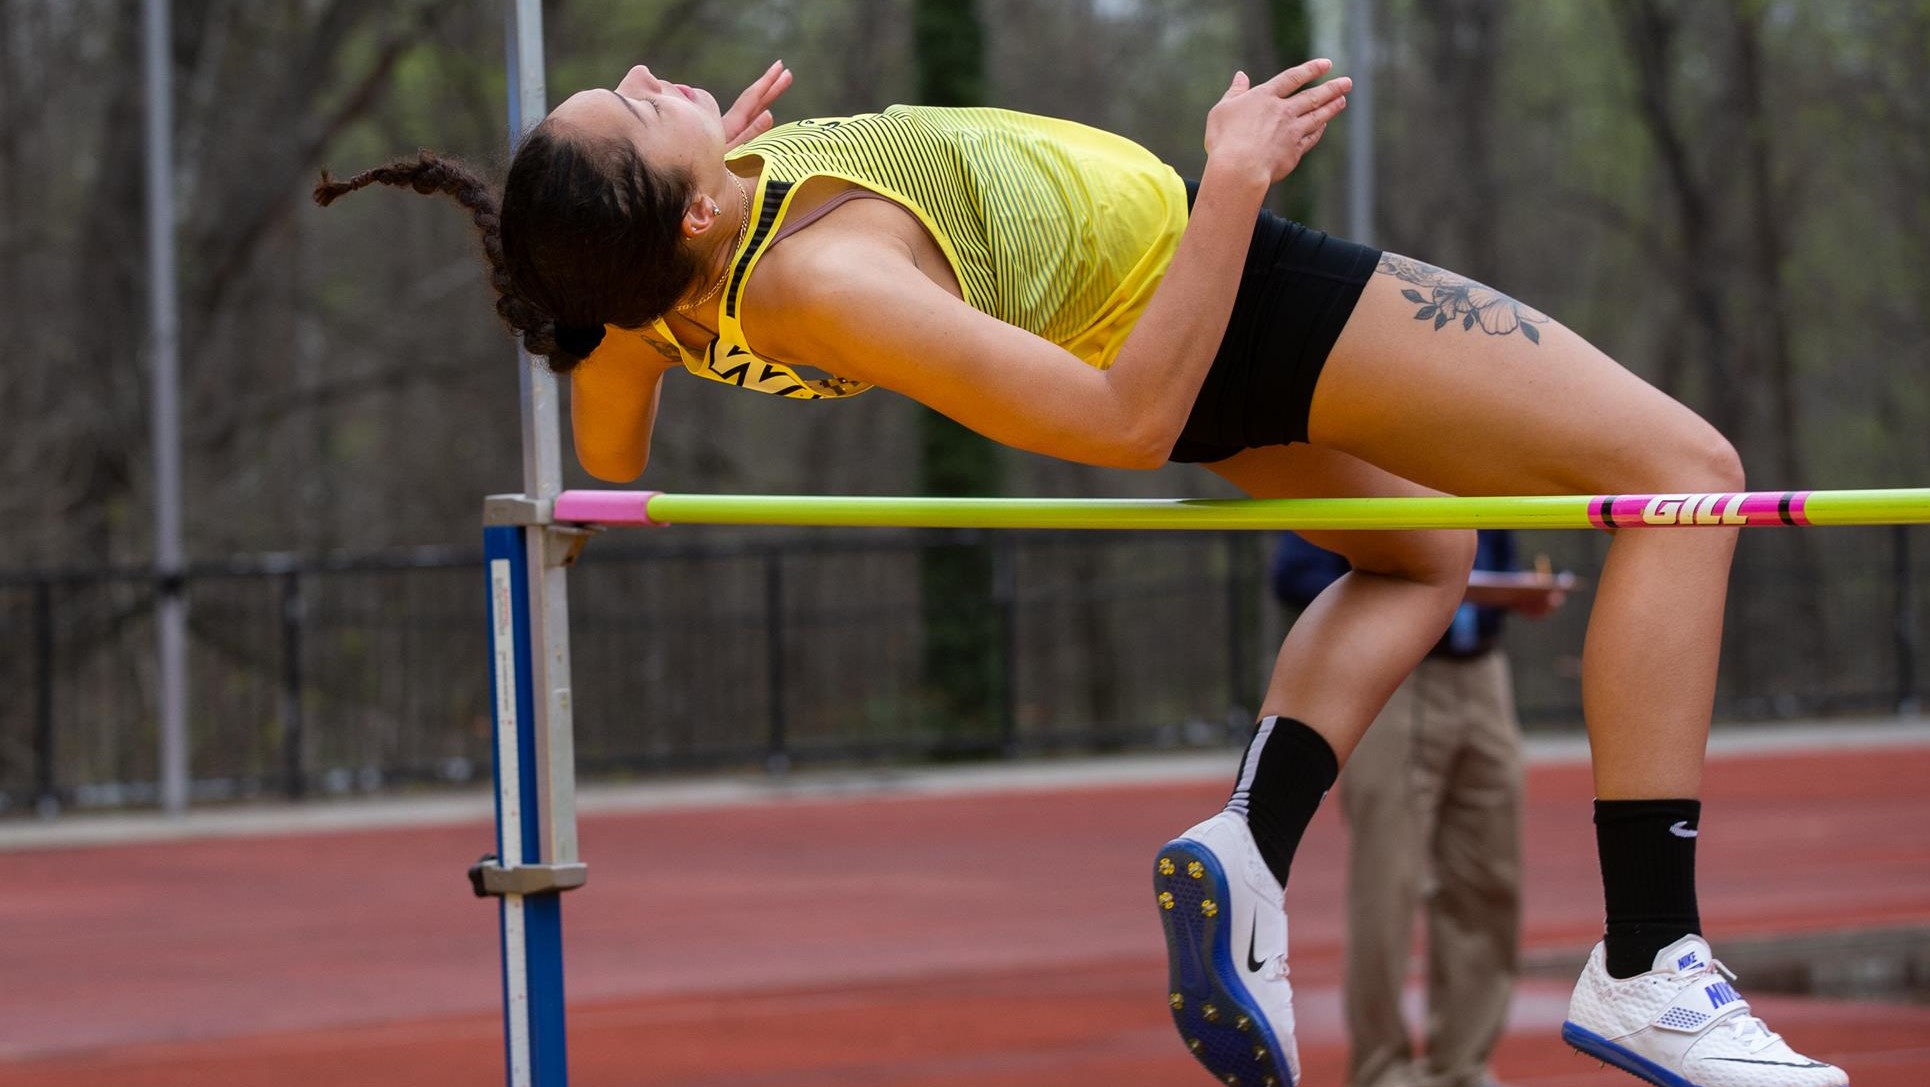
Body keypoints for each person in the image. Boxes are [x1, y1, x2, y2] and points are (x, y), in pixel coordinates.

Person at [316, 58, 1845, 1087]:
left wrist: (716, 168)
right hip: (1215, 302)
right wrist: (1232, 175)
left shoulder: (650, 285)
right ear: (701, 213)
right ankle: (1648, 954)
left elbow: (613, 430)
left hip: (1158, 303)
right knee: (1681, 479)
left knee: (1422, 556)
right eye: (641, 108)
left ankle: (1250, 842)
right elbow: (1131, 421)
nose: (654, 77)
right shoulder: (826, 279)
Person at [1273, 530, 1558, 1087]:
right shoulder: (1363, 456)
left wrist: (1514, 593)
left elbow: (1500, 557)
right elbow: (1296, 574)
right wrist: (1408, 584)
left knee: (1489, 877)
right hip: (1393, 674)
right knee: (1389, 878)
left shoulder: (1487, 458)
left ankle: (1465, 1065)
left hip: (1483, 671)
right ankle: (1384, 1070)